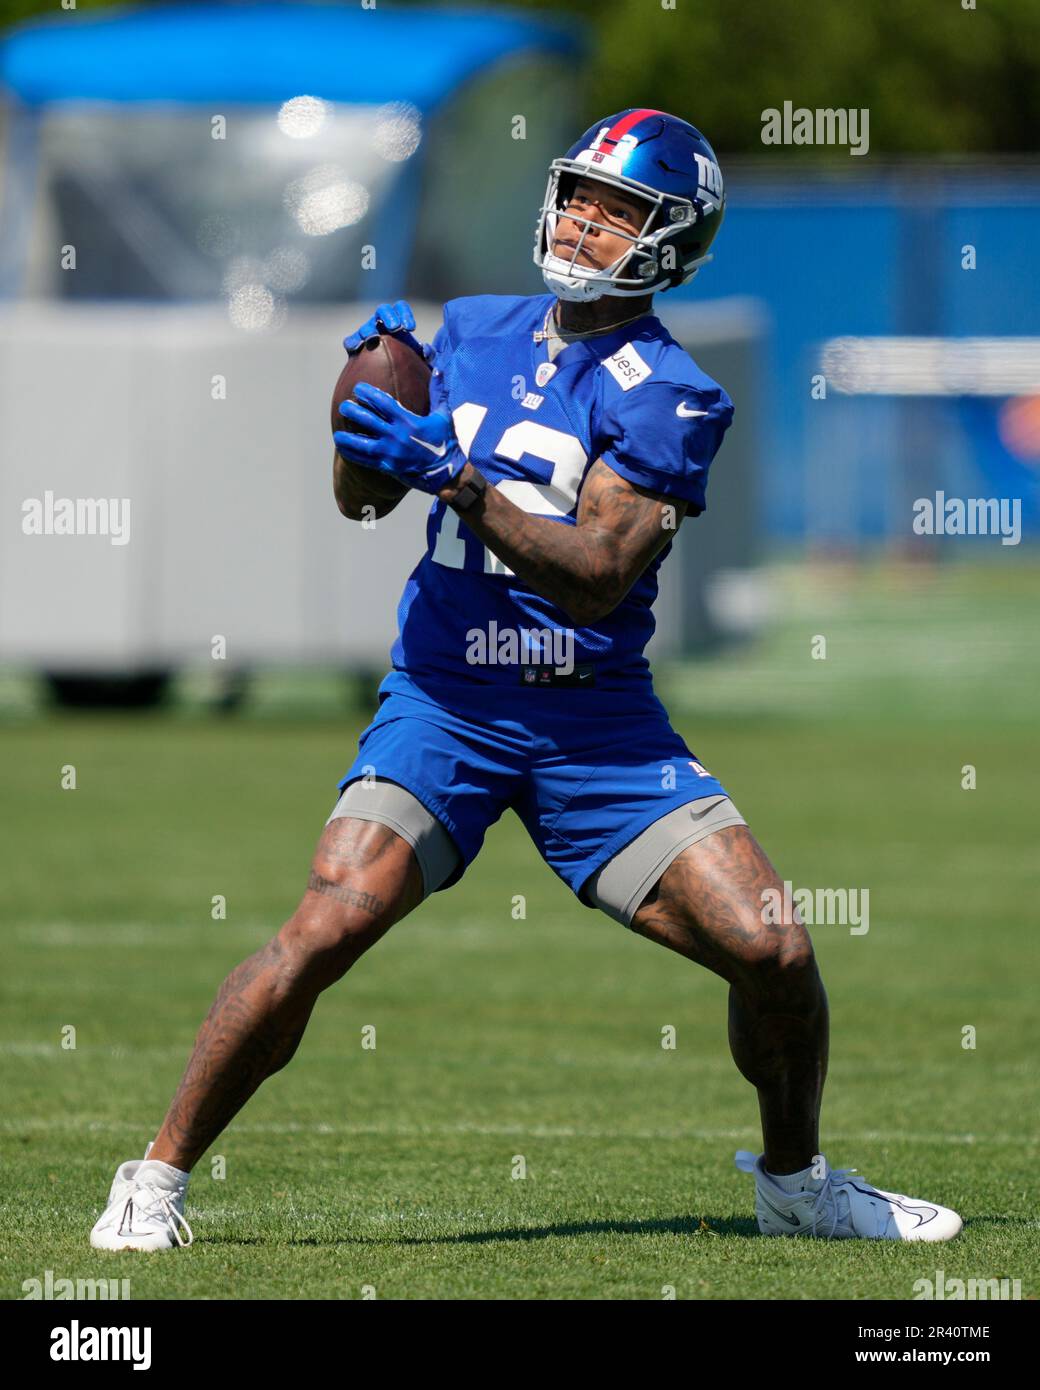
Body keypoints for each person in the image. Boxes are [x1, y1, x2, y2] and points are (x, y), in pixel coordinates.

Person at [90, 109, 961, 1251]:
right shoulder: (474, 330)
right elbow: (359, 502)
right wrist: (364, 411)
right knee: (322, 929)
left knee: (773, 948)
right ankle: (152, 1176)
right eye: (580, 197)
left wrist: (454, 477)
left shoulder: (670, 390)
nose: (584, 222)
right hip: (444, 701)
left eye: (618, 211)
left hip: (592, 721)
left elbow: (595, 575)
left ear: (670, 240)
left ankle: (795, 1185)